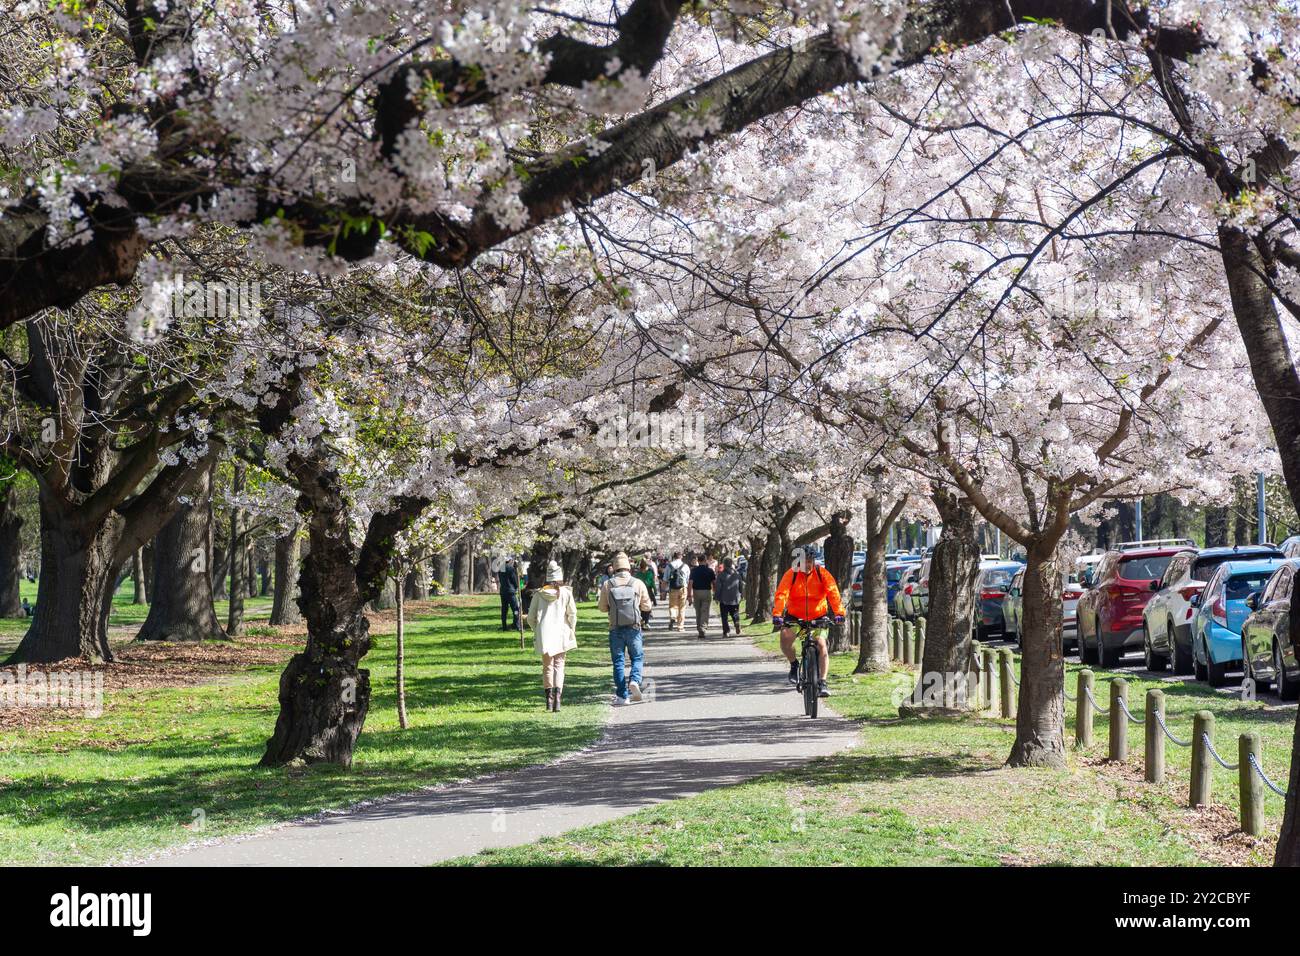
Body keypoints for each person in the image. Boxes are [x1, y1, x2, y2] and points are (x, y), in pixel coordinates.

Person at [772, 545, 845, 698]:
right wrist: (778, 614)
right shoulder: (791, 574)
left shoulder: (821, 573)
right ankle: (794, 664)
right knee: (785, 638)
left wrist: (839, 613)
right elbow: (782, 594)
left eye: (810, 560)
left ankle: (823, 682)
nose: (808, 564)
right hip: (795, 616)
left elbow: (833, 593)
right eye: (805, 561)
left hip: (818, 616)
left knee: (821, 645)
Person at [598, 552, 653, 704]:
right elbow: (647, 606)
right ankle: (635, 680)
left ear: (614, 567)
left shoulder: (608, 584)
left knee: (618, 661)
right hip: (634, 627)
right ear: (628, 566)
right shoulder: (637, 583)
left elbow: (602, 608)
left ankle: (622, 696)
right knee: (637, 657)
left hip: (615, 628)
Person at [528, 561, 578, 711]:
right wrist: (572, 629)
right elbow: (572, 614)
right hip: (561, 633)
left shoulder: (539, 594)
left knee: (547, 667)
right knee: (559, 665)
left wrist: (536, 629)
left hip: (544, 633)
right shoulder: (566, 593)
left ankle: (548, 700)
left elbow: (530, 617)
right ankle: (557, 699)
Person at [687, 553, 716, 639]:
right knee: (705, 611)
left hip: (696, 592)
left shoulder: (694, 571)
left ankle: (699, 628)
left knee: (698, 611)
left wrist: (689, 595)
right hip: (707, 592)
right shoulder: (710, 571)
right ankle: (702, 628)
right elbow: (714, 583)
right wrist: (715, 593)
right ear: (705, 560)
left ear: (698, 561)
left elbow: (690, 583)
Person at [714, 557, 743, 637]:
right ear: (731, 564)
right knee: (735, 613)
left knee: (724, 616)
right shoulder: (737, 574)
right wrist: (741, 594)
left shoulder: (721, 575)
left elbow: (718, 587)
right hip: (735, 598)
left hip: (724, 599)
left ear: (724, 564)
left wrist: (716, 597)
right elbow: (741, 586)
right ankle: (736, 622)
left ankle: (726, 631)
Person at [665, 551, 690, 631]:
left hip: (672, 588)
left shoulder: (669, 566)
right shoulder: (685, 566)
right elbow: (688, 579)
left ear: (674, 557)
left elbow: (665, 579)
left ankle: (673, 616)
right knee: (682, 608)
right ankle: (680, 627)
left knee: (673, 605)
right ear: (681, 557)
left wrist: (663, 590)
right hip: (683, 589)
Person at [497, 558, 520, 631]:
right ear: (509, 561)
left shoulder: (500, 569)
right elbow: (514, 580)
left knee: (504, 609)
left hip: (503, 591)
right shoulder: (510, 568)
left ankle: (504, 626)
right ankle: (516, 625)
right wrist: (517, 587)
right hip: (511, 591)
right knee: (515, 609)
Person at [635, 558, 657, 627]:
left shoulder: (638, 574)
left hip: (639, 591)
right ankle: (646, 621)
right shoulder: (649, 573)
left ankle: (642, 620)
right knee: (647, 606)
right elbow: (652, 583)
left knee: (640, 606)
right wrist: (655, 591)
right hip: (648, 591)